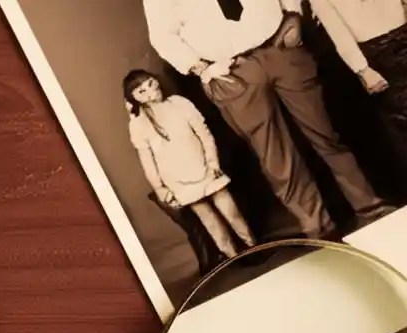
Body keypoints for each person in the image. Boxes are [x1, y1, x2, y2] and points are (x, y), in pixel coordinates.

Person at [142, 0, 398, 240]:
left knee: (326, 135)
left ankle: (369, 206)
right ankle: (319, 230)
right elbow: (162, 36)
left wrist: (294, 14)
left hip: (279, 48)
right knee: (276, 157)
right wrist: (201, 68)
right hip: (228, 72)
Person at [124, 69, 256, 259]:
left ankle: (253, 246)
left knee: (231, 211)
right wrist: (159, 187)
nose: (150, 91)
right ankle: (232, 256)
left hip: (205, 168)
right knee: (209, 220)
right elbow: (146, 158)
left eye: (150, 83)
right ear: (134, 98)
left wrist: (212, 161)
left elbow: (204, 134)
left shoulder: (180, 103)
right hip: (177, 180)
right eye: (141, 91)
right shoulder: (138, 123)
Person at [309, 0, 407, 149]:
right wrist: (363, 69)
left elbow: (339, 34)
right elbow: (339, 34)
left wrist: (362, 69)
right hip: (379, 55)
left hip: (391, 43)